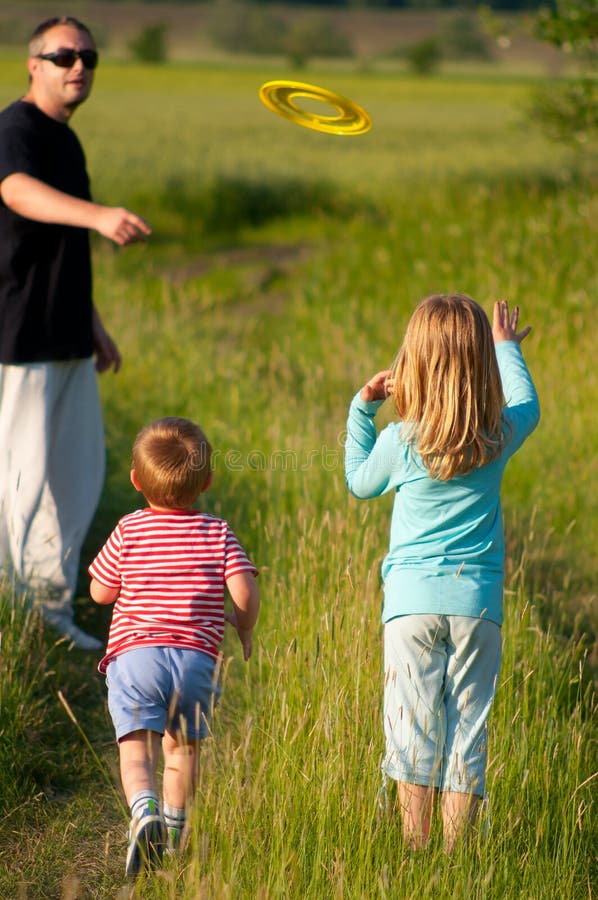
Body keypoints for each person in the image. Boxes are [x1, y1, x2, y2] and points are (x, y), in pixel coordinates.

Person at [344, 296, 539, 851]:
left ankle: (416, 846)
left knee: (413, 729)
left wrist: (362, 408)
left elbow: (358, 482)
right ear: (478, 362)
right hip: (478, 606)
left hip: (410, 606)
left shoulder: (403, 441)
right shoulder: (498, 433)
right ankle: (457, 857)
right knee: (468, 730)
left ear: (415, 362)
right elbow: (529, 403)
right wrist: (507, 350)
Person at [0, 17, 151, 649]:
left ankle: (49, 611)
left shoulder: (67, 141)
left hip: (66, 335)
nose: (78, 66)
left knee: (76, 476)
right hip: (18, 339)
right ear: (34, 64)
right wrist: (100, 215)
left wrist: (94, 325)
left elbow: (61, 247)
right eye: (63, 55)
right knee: (17, 478)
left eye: (88, 55)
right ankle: (11, 614)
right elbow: (15, 191)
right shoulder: (16, 129)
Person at [89, 416, 260, 877]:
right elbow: (245, 592)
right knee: (181, 751)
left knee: (136, 749)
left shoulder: (128, 530)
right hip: (196, 664)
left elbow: (102, 592)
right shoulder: (218, 532)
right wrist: (243, 627)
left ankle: (143, 812)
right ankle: (175, 831)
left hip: (136, 657)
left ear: (135, 481)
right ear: (206, 483)